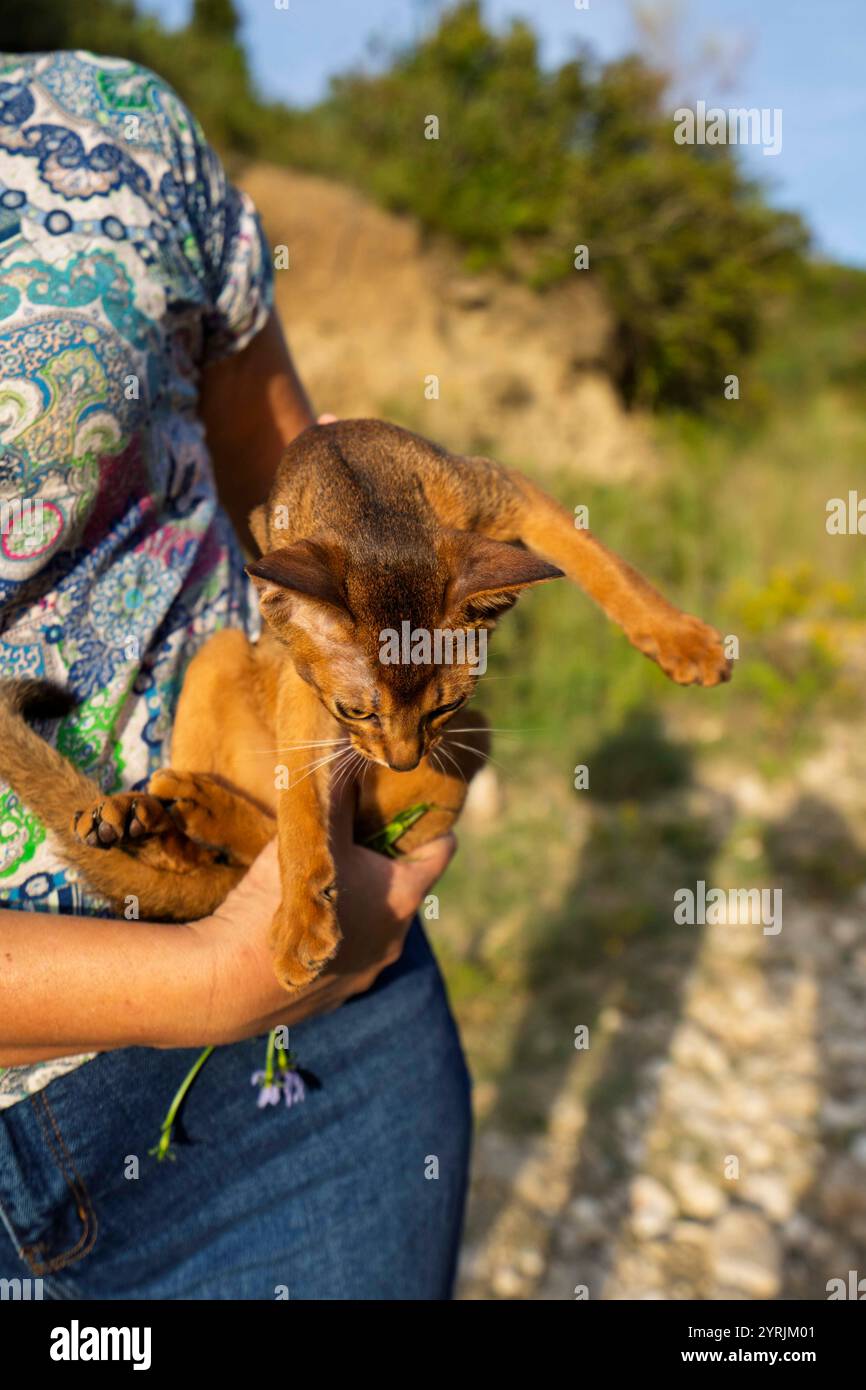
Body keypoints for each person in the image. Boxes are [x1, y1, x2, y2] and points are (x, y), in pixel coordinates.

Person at [0, 50, 470, 1299]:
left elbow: (289, 472)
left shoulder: (105, 123)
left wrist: (416, 681)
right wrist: (205, 980)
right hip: (233, 972)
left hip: (308, 1056)